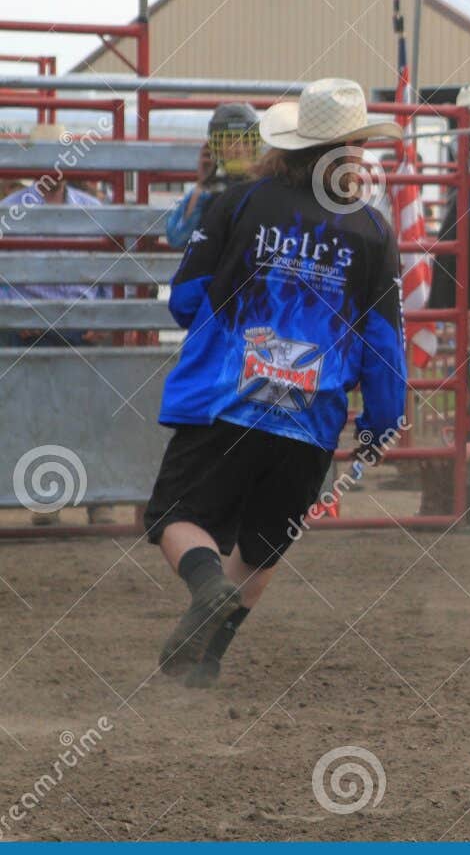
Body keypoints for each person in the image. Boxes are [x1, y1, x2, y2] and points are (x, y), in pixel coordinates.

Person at [143, 78, 407, 688]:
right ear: (352, 153)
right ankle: (204, 664)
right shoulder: (372, 231)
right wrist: (380, 424)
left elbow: (184, 300)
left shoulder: (239, 203)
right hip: (309, 416)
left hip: (226, 399)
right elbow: (384, 345)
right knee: (263, 547)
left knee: (174, 515)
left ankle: (205, 586)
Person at [0, 124, 117, 527]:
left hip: (82, 324)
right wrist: (14, 312)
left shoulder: (93, 208)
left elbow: (111, 266)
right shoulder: (10, 208)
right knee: (39, 411)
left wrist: (104, 316)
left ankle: (95, 495)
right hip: (28, 325)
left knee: (90, 411)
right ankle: (48, 494)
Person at [166, 103, 262, 248]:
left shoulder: (264, 189)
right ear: (216, 147)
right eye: (230, 142)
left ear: (255, 145)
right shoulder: (206, 193)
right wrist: (202, 185)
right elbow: (177, 239)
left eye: (246, 142)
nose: (238, 150)